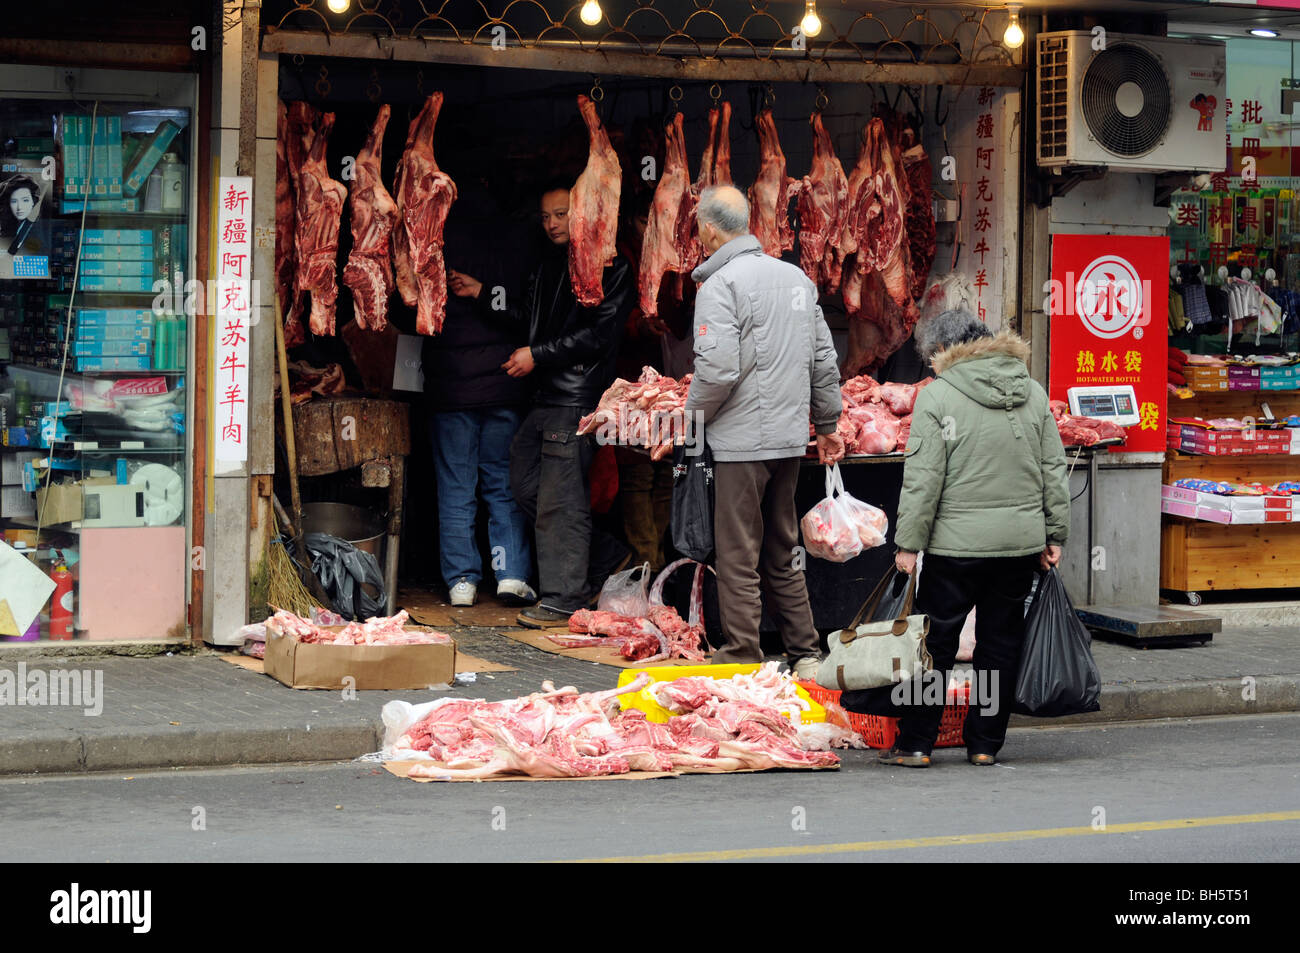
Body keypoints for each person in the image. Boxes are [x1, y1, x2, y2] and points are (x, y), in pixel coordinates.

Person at [886, 309, 1069, 768]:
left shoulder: (939, 397)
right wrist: (1054, 534)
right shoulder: (1032, 392)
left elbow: (923, 481)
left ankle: (916, 744)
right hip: (1017, 548)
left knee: (936, 645)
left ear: (942, 351)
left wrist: (908, 543)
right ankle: (985, 743)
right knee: (999, 645)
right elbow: (1053, 471)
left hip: (954, 548)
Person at [448, 178, 634, 628]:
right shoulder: (548, 264)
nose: (552, 223)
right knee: (523, 483)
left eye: (561, 214)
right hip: (545, 397)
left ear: (582, 212)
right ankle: (607, 555)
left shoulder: (611, 265)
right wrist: (482, 292)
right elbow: (524, 318)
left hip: (577, 397)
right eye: (546, 216)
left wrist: (538, 356)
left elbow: (597, 336)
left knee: (559, 501)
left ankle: (564, 597)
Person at [684, 185, 844, 678]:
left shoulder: (719, 286)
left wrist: (691, 421)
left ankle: (741, 654)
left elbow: (717, 371)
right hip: (789, 441)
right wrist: (828, 423)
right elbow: (823, 359)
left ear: (710, 230)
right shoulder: (795, 278)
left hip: (740, 444)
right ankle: (805, 652)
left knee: (737, 552)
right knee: (782, 545)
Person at [423, 184, 536, 607]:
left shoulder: (430, 246)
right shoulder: (514, 246)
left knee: (456, 488)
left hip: (452, 391)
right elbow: (528, 313)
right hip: (503, 388)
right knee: (501, 487)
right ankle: (510, 574)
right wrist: (487, 291)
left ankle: (461, 582)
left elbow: (408, 316)